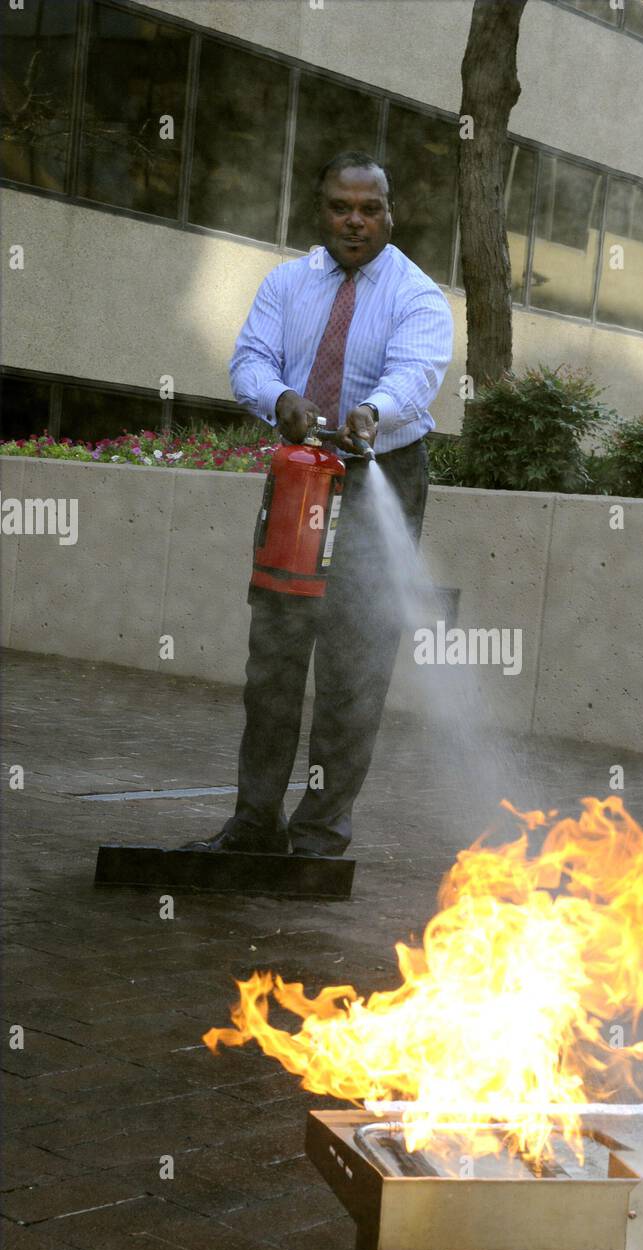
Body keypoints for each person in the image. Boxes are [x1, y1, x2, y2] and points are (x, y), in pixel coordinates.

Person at [185, 151, 454, 858]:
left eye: (369, 208)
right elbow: (250, 362)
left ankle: (321, 830)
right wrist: (280, 399)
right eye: (341, 207)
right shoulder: (286, 284)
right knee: (273, 658)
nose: (355, 221)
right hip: (300, 475)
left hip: (380, 477)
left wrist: (370, 411)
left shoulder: (417, 294)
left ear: (390, 213)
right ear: (321, 209)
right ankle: (253, 823)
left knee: (354, 665)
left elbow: (417, 373)